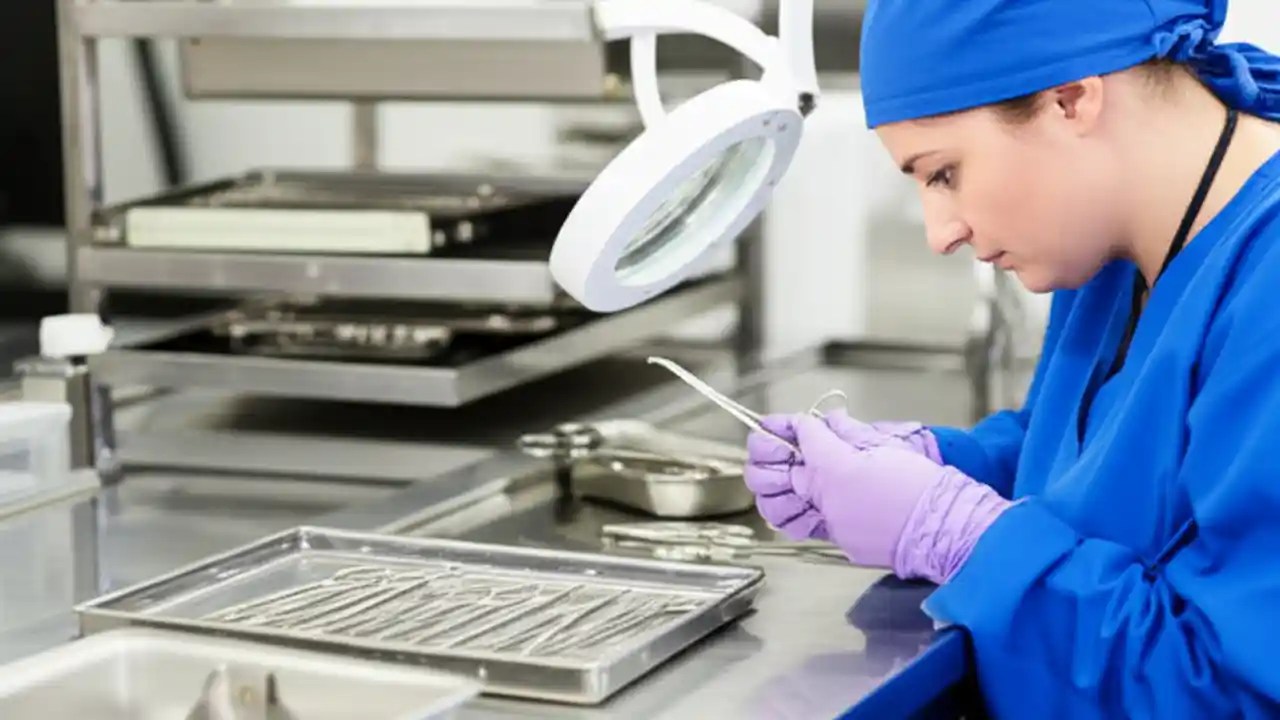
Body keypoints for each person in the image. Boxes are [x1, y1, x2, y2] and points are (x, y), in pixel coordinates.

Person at [743, 0, 1280, 717]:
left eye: (943, 174)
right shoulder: (1114, 247)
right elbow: (1112, 459)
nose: (941, 233)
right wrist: (937, 466)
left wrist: (959, 535)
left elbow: (1228, 692)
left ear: (1069, 99)